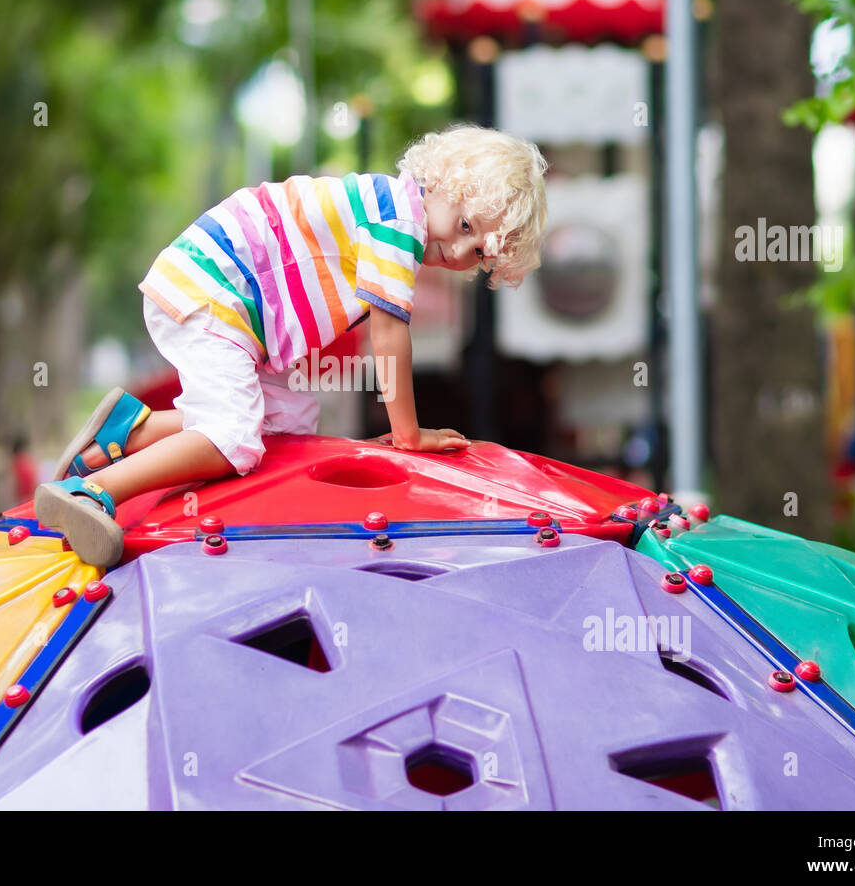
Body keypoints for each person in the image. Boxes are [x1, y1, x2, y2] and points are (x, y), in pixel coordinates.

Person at [35, 124, 548, 566]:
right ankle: (93, 493)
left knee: (287, 427)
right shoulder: (400, 222)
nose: (457, 250)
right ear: (442, 183)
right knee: (234, 435)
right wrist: (408, 435)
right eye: (462, 225)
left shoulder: (388, 211)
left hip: (236, 306)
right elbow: (389, 335)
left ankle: (130, 431)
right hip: (214, 292)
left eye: (478, 251)